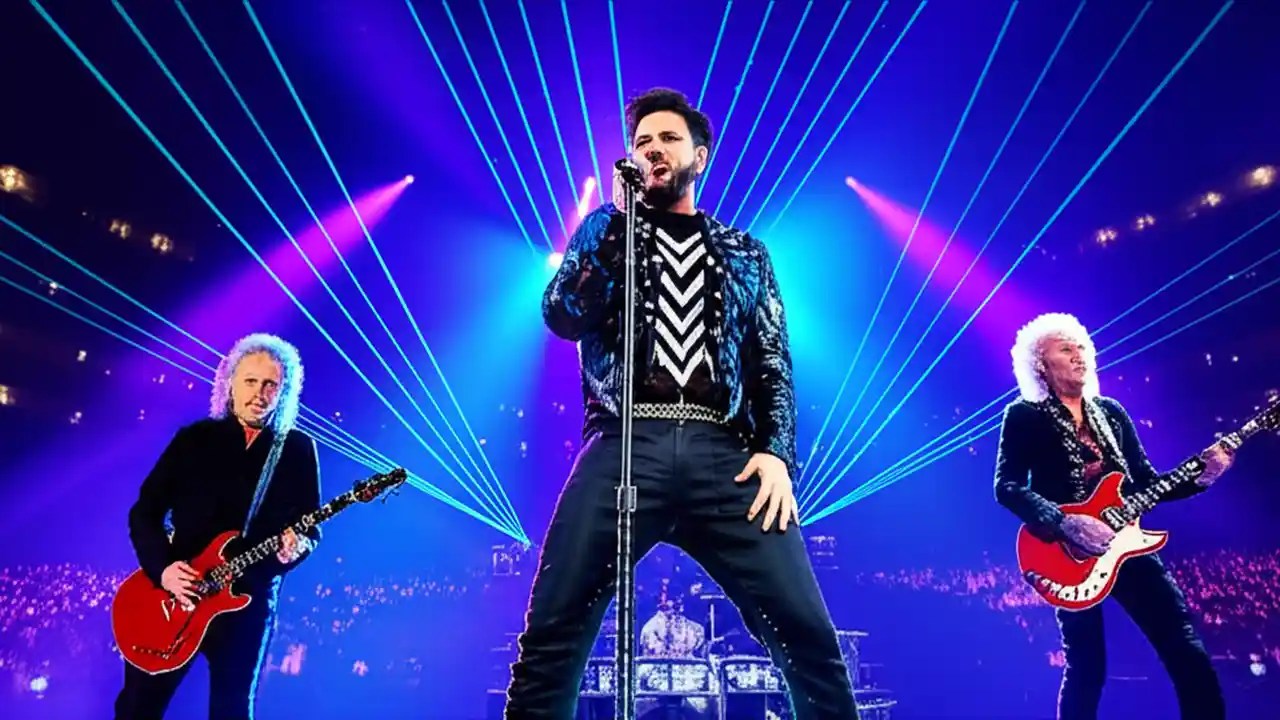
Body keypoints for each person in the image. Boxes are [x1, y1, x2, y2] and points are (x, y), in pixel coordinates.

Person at [504, 87, 857, 719]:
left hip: (724, 453)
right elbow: (562, 316)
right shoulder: (605, 232)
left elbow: (773, 362)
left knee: (808, 637)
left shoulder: (746, 251)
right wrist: (615, 232)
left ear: (699, 156)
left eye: (667, 139)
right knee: (551, 632)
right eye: (641, 142)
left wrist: (777, 454)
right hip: (622, 443)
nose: (652, 150)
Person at [994, 312, 1233, 719]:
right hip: (1067, 554)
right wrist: (1064, 522)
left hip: (1127, 544)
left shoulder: (1111, 412)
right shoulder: (1024, 416)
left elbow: (1145, 482)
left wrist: (1201, 478)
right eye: (1065, 348)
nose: (1079, 355)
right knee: (1088, 666)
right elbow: (1008, 486)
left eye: (1082, 346)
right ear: (1040, 364)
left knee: (1185, 645)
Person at [115, 333, 322, 720]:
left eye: (270, 384)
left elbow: (309, 529)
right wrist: (164, 570)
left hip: (247, 600)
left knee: (232, 710)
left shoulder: (296, 449)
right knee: (138, 707)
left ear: (284, 391)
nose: (259, 393)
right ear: (230, 382)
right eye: (250, 381)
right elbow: (144, 512)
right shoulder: (194, 439)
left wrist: (296, 549)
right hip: (178, 595)